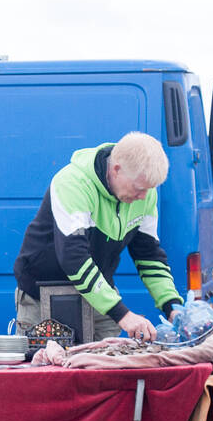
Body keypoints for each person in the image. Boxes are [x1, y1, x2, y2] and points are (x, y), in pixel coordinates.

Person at [14, 132, 183, 342]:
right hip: (42, 295)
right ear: (116, 169)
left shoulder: (145, 193)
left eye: (150, 190)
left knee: (104, 370)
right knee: (45, 370)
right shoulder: (72, 183)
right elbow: (74, 259)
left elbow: (149, 256)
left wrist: (172, 307)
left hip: (99, 295)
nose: (144, 197)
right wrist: (123, 314)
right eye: (139, 189)